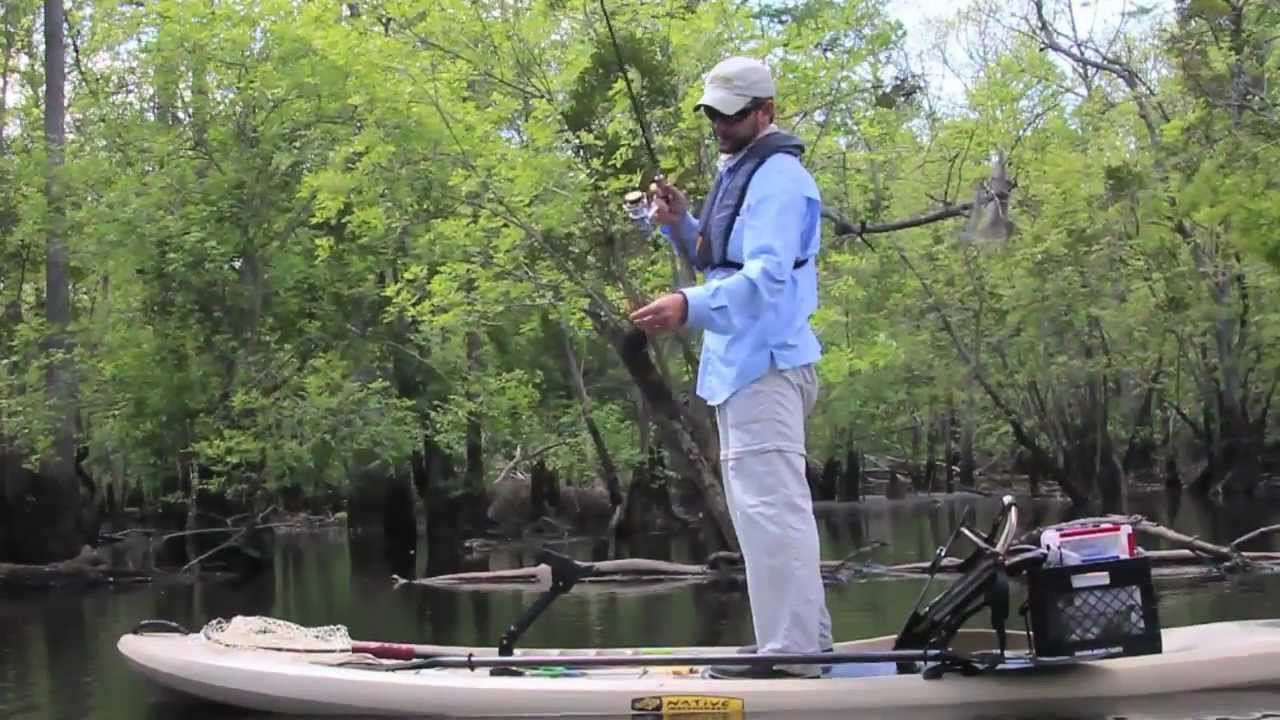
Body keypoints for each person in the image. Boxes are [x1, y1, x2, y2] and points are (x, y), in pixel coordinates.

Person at [628, 56, 832, 679]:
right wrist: (678, 224)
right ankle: (801, 642)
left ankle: (793, 652)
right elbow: (719, 262)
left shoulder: (778, 179)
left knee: (773, 511)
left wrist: (687, 306)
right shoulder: (741, 173)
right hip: (744, 370)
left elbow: (766, 280)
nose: (718, 124)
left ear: (765, 113)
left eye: (732, 114)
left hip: (766, 367)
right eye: (713, 113)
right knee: (762, 512)